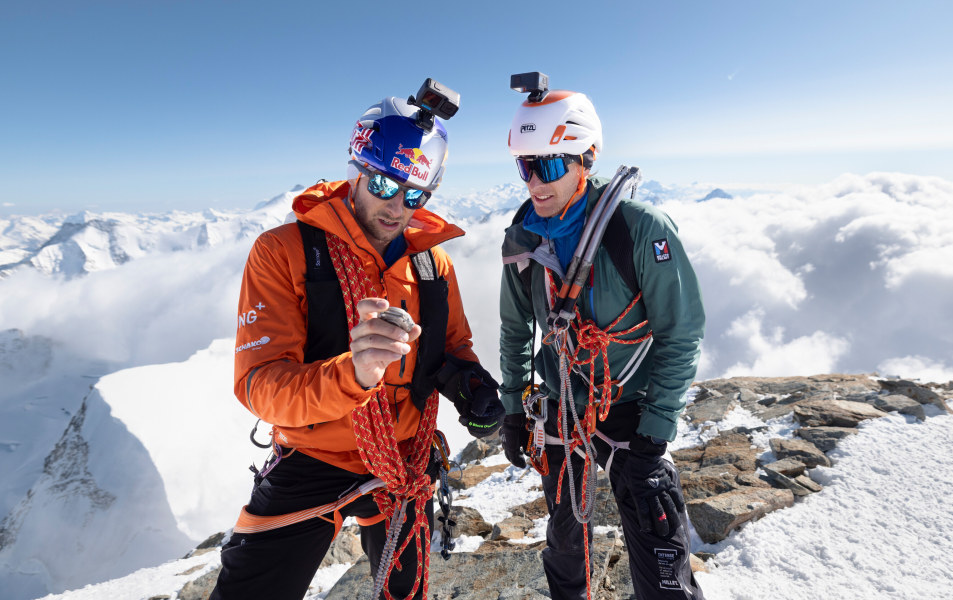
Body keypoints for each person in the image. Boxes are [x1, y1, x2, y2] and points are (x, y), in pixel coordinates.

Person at [211, 80, 504, 600]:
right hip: (313, 454)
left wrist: (472, 388)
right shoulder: (285, 252)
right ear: (357, 171)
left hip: (404, 457)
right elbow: (259, 384)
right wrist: (353, 374)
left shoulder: (431, 264)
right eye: (385, 187)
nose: (397, 209)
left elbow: (453, 346)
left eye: (415, 195)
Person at [497, 74, 706, 599]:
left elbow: (681, 331)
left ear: (585, 159)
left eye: (547, 166)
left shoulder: (641, 230)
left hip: (630, 405)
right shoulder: (522, 239)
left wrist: (656, 430)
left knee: (659, 544)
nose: (534, 184)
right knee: (566, 541)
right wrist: (515, 408)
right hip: (562, 403)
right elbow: (516, 327)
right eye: (526, 166)